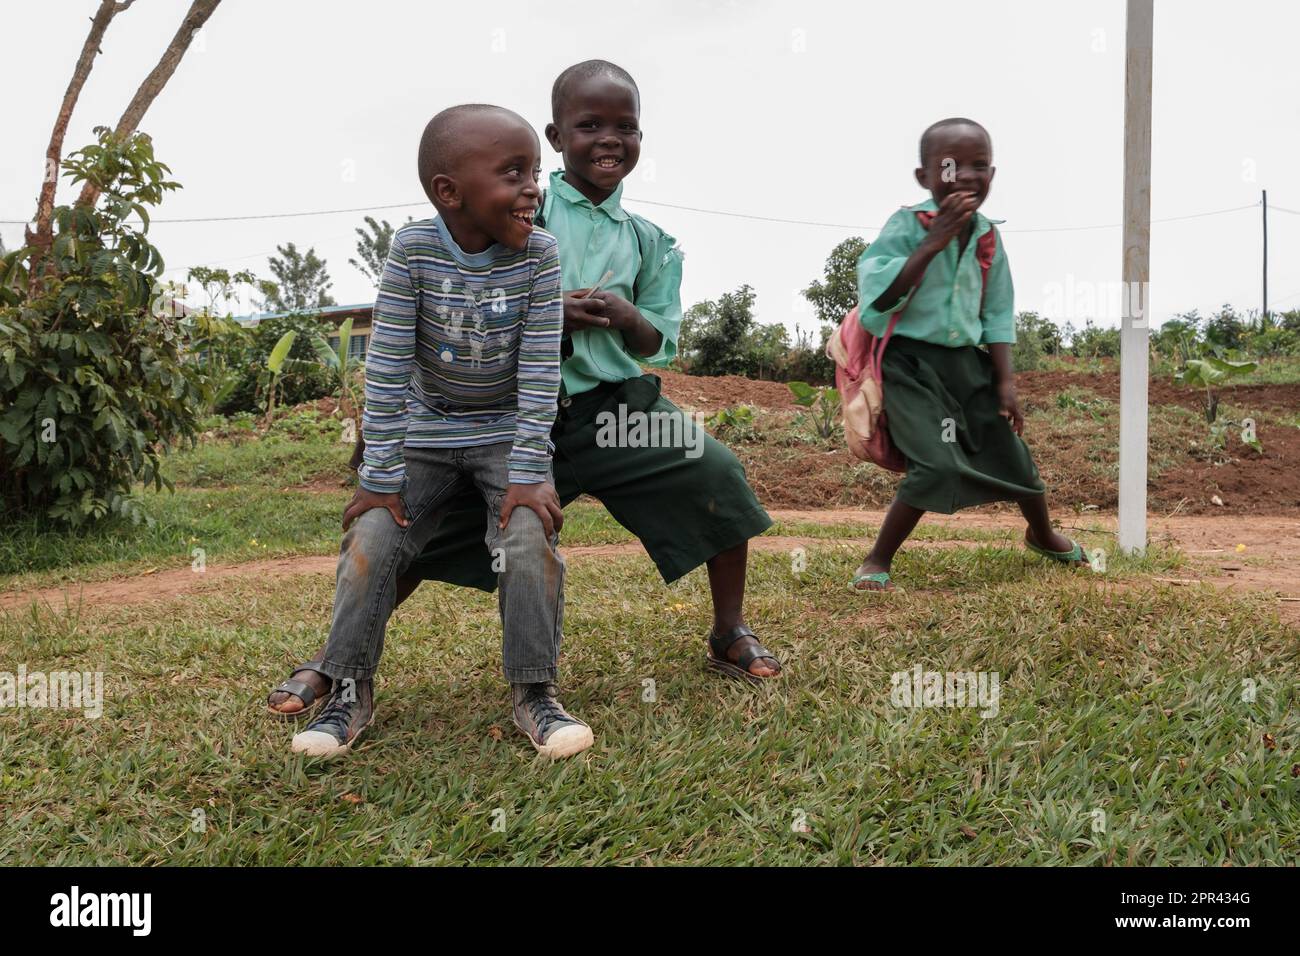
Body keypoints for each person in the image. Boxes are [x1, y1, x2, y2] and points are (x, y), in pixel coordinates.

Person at [267, 62, 782, 729]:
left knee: (715, 471)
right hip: (501, 415)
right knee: (418, 534)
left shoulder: (649, 242)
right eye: (589, 125)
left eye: (626, 127)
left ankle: (728, 631)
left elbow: (661, 344)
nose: (609, 140)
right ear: (556, 137)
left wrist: (624, 315)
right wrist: (546, 314)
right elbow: (467, 288)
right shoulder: (523, 207)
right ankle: (335, 664)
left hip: (612, 409)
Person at [281, 103, 593, 760]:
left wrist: (530, 471)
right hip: (424, 434)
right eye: (513, 172)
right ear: (449, 192)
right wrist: (380, 477)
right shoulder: (413, 250)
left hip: (505, 435)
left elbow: (539, 371)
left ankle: (535, 692)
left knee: (528, 536)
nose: (533, 185)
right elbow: (387, 367)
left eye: (534, 169)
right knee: (372, 536)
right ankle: (347, 692)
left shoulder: (540, 255)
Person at [850, 117, 1089, 592]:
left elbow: (998, 312)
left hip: (966, 365)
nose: (966, 176)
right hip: (909, 367)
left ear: (993, 175)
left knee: (1013, 453)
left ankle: (1041, 533)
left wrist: (1006, 383)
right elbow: (877, 297)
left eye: (979, 165)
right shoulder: (906, 226)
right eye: (950, 166)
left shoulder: (987, 237)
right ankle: (877, 559)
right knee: (934, 463)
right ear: (925, 177)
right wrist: (933, 240)